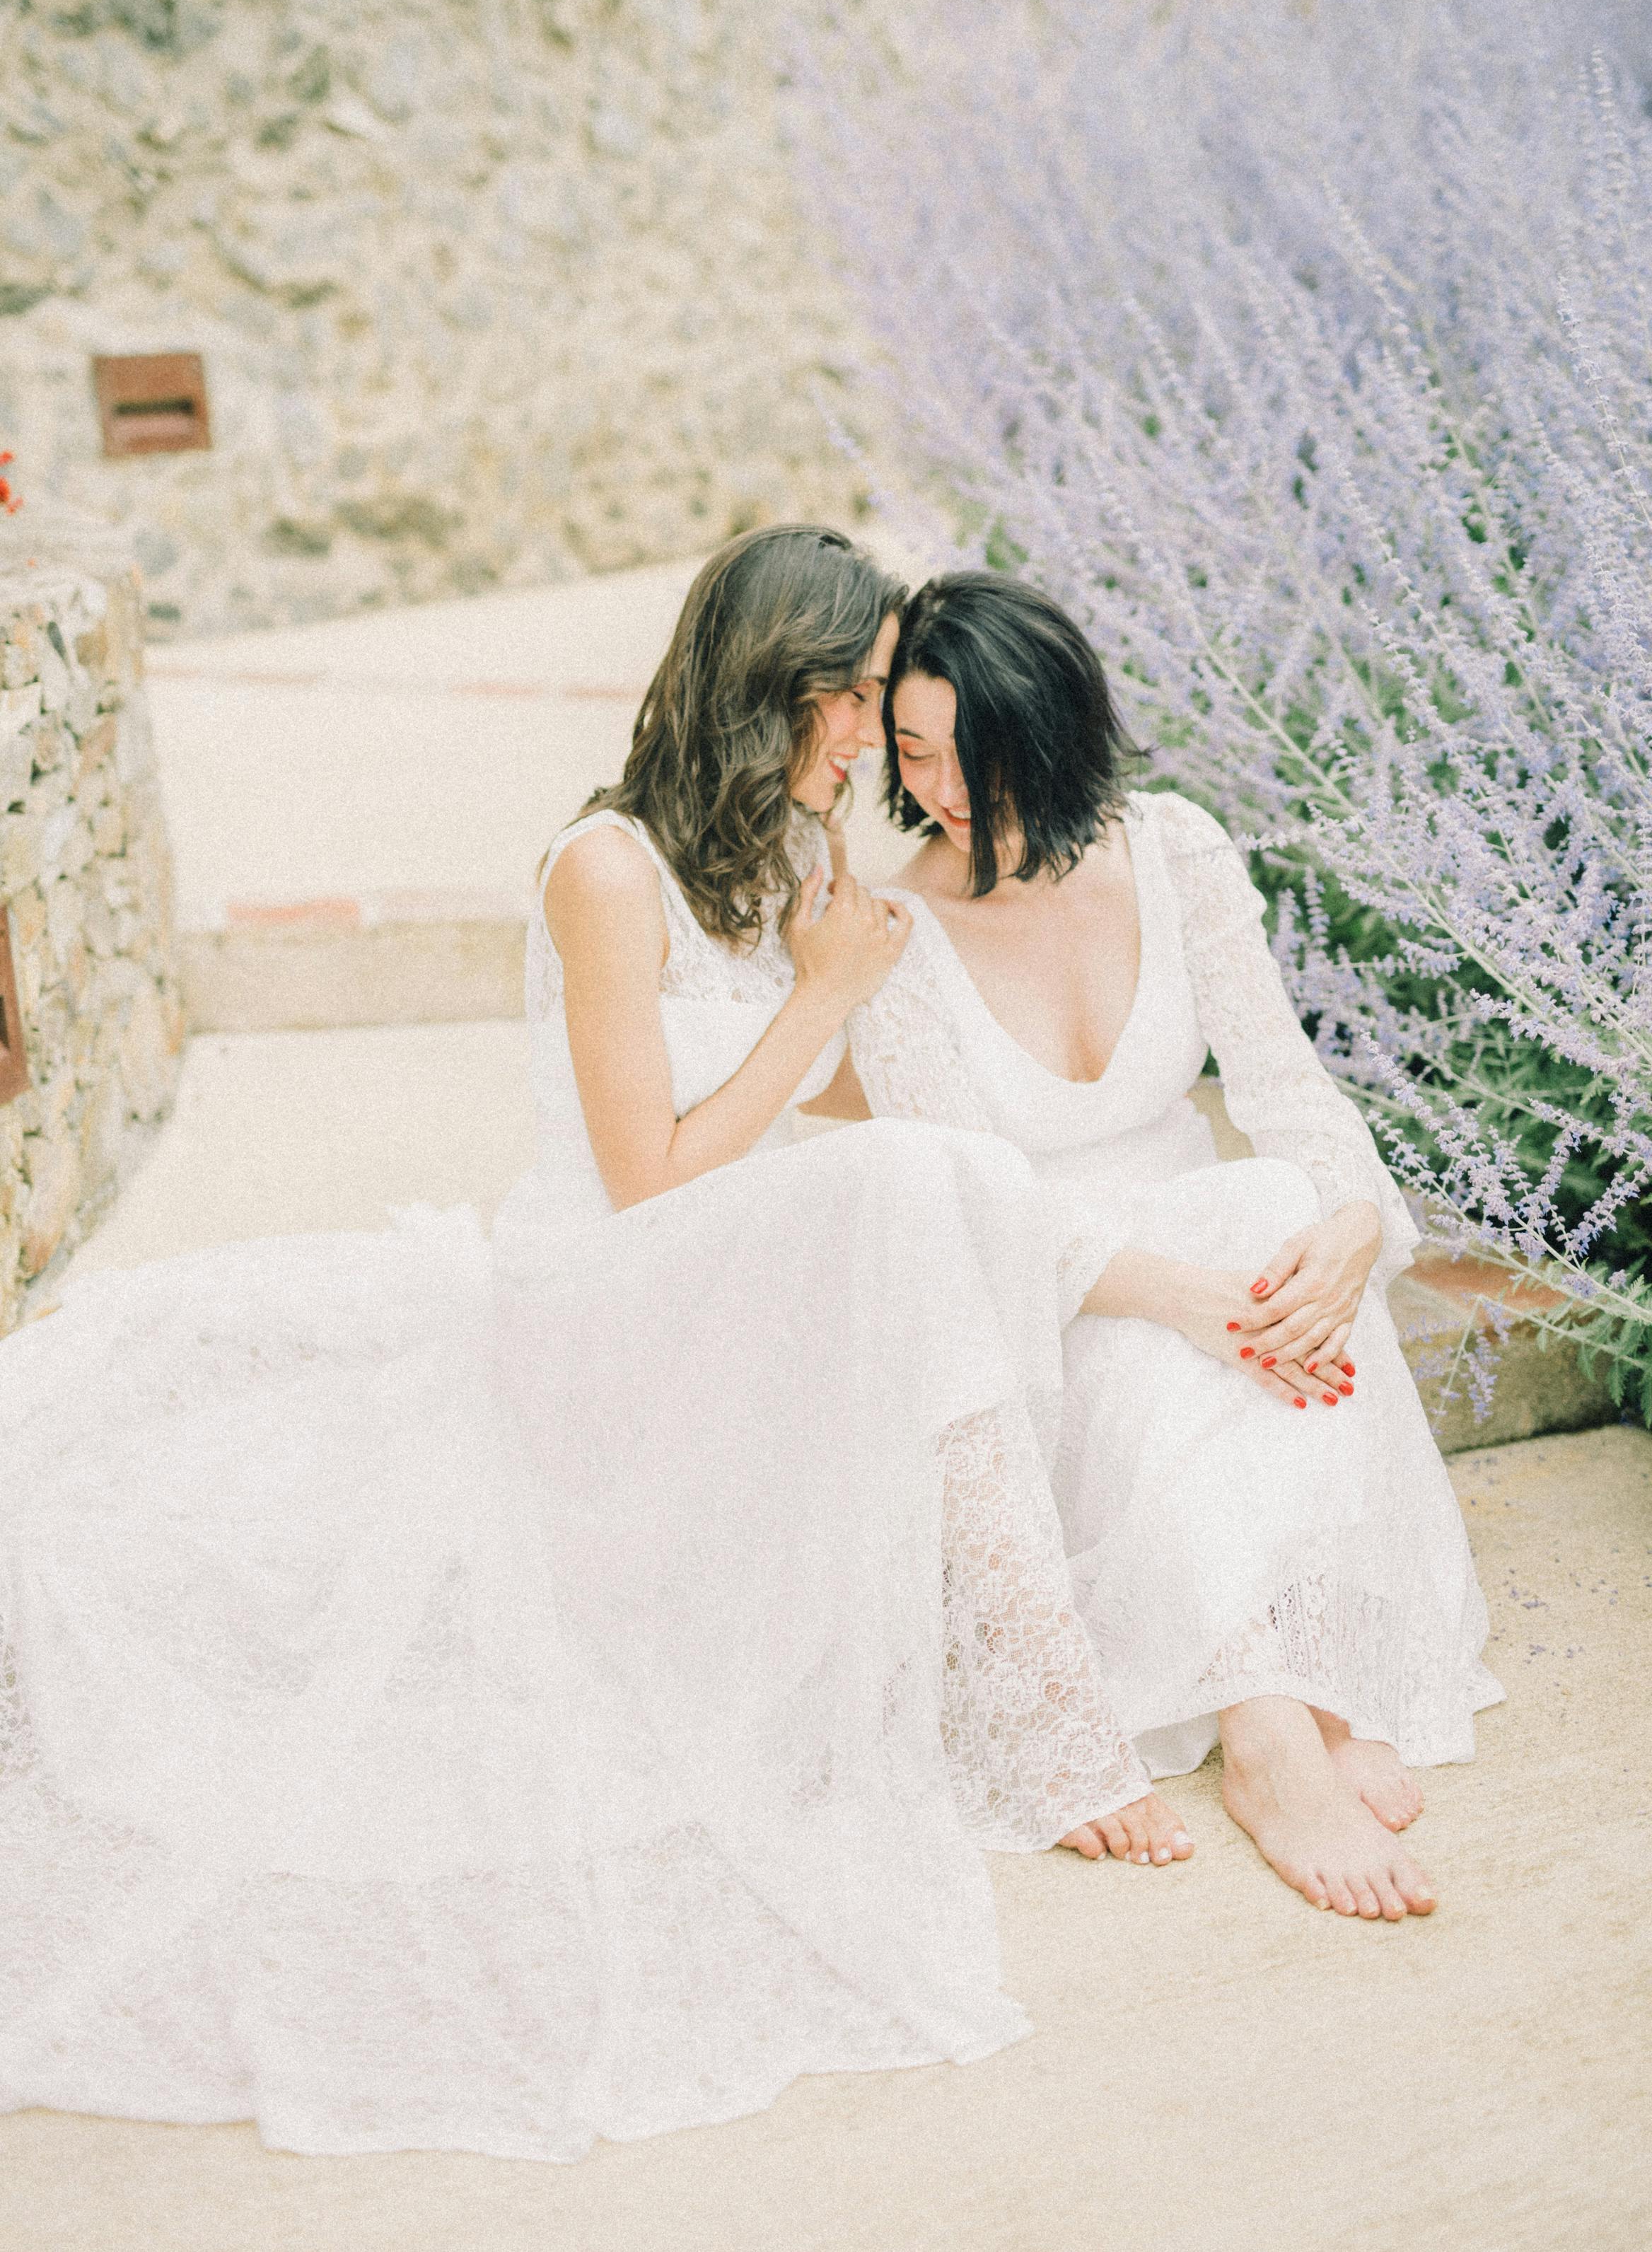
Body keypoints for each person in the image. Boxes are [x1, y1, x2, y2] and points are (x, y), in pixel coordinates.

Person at [0, 527, 1171, 2164]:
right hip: (604, 1297)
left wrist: (890, 992)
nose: (865, 731)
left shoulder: (789, 848)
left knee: (946, 1177)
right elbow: (652, 1176)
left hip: (716, 1280)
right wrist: (823, 1000)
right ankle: (1039, 1709)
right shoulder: (605, 867)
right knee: (911, 1185)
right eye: (845, 694)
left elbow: (824, 1100)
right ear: (766, 681)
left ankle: (1015, 1670)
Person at [813, 568, 1502, 1924]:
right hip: (1048, 1295)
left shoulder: (1177, 850)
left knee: (1271, 1211)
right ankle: (1269, 1735)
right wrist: (1191, 1303)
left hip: (1209, 1257)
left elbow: (1285, 1084)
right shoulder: (896, 931)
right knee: (1189, 1300)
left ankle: (1317, 1672)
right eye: (912, 754)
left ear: (1053, 730)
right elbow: (984, 1206)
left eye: (978, 755)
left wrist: (1355, 1222)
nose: (944, 793)